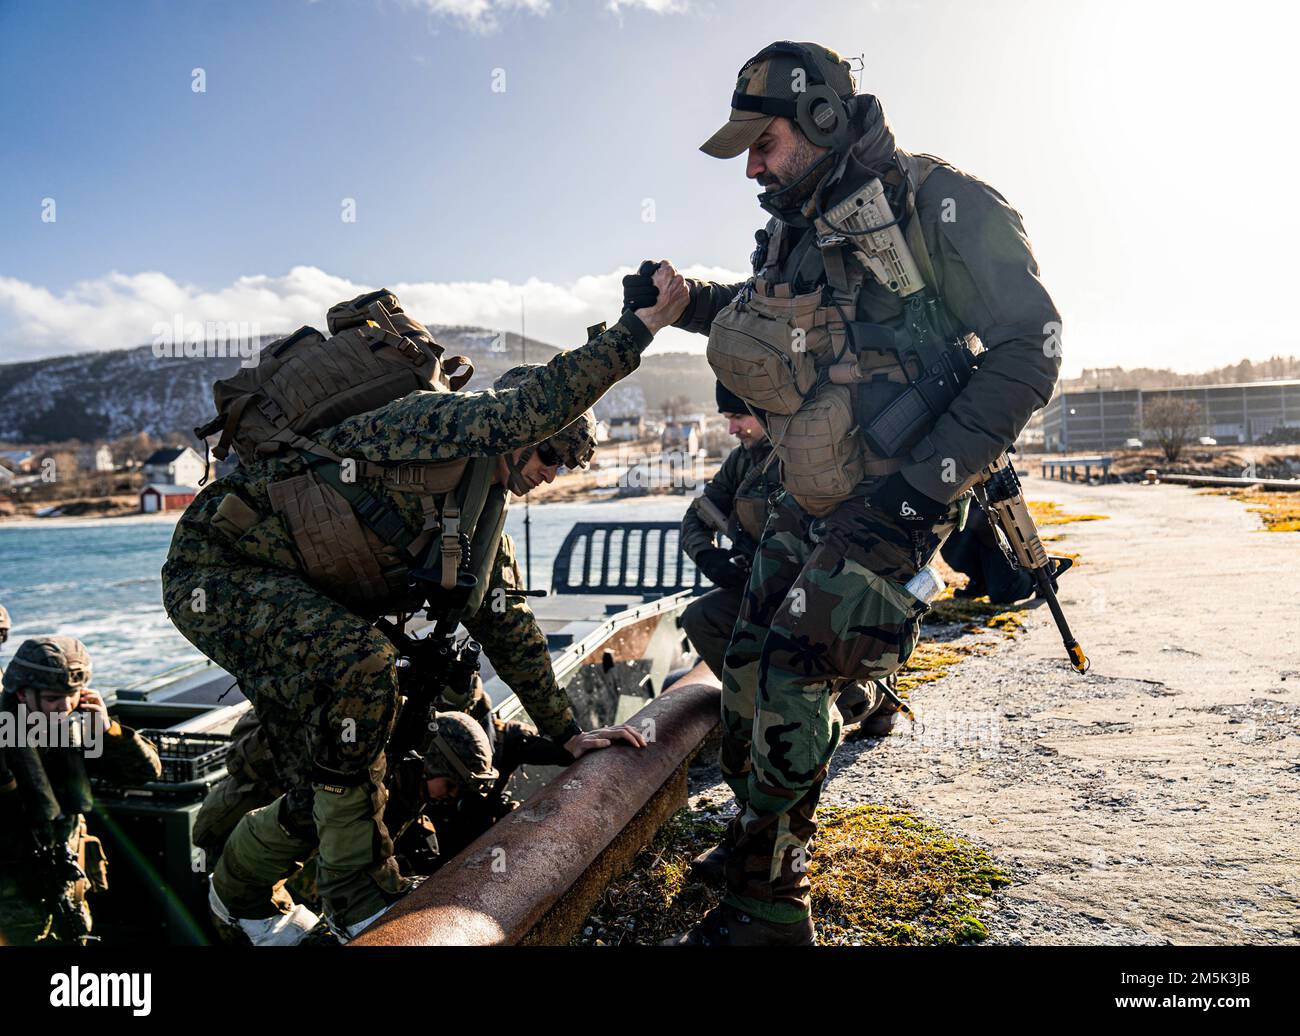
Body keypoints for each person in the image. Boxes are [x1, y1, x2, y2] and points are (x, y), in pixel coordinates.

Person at [625, 41, 1061, 945]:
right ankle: (759, 847)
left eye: (765, 140)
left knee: (790, 672)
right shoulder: (799, 219)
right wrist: (687, 299)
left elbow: (1032, 348)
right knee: (745, 653)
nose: (751, 165)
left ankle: (769, 915)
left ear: (823, 119)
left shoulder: (939, 201)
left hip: (893, 497)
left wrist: (922, 491)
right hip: (809, 480)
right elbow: (770, 311)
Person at [162, 275, 689, 943]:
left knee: (330, 776)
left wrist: (567, 733)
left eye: (568, 464)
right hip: (219, 573)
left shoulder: (480, 525)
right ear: (520, 429)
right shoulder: (429, 424)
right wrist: (635, 331)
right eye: (552, 451)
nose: (553, 471)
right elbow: (521, 411)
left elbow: (509, 629)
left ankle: (236, 894)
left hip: (286, 589)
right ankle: (358, 897)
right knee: (361, 666)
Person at [679, 382, 897, 738]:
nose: (732, 429)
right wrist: (708, 557)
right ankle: (765, 712)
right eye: (728, 419)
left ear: (765, 412)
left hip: (823, 594)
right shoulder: (743, 461)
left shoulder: (812, 455)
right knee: (702, 618)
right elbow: (698, 515)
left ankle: (873, 691)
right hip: (761, 588)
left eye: (739, 417)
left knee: (851, 701)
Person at [0, 636, 161, 945]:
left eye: (72, 695)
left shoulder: (75, 727)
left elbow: (145, 772)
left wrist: (109, 732)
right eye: (51, 699)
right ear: (22, 694)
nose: (65, 706)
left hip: (65, 887)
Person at [940, 497, 1035, 604]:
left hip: (994, 532)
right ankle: (981, 581)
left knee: (1003, 594)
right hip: (958, 499)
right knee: (948, 543)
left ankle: (1037, 576)